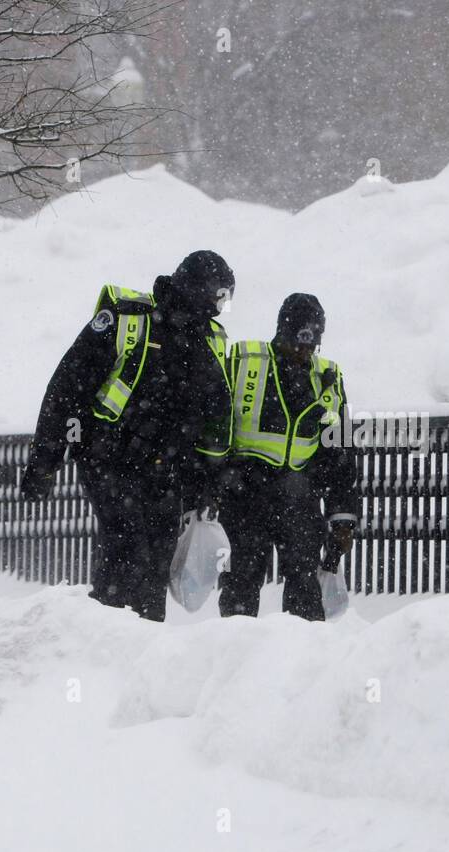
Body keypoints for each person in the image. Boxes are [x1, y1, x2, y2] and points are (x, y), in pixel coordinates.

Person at [20, 251, 235, 621]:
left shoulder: (209, 340)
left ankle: (140, 653)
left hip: (165, 469)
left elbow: (215, 417)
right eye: (217, 297)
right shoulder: (126, 320)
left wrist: (209, 482)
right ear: (197, 290)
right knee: (127, 551)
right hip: (108, 459)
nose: (219, 309)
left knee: (157, 561)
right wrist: (44, 463)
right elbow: (66, 389)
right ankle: (104, 637)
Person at [218, 293, 357, 621]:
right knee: (243, 577)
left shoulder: (328, 379)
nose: (304, 350)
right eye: (298, 339)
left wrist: (343, 516)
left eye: (312, 342)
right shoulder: (244, 362)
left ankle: (304, 655)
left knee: (304, 581)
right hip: (245, 490)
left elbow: (340, 452)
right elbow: (212, 421)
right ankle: (234, 649)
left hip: (298, 495)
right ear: (282, 331)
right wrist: (213, 478)